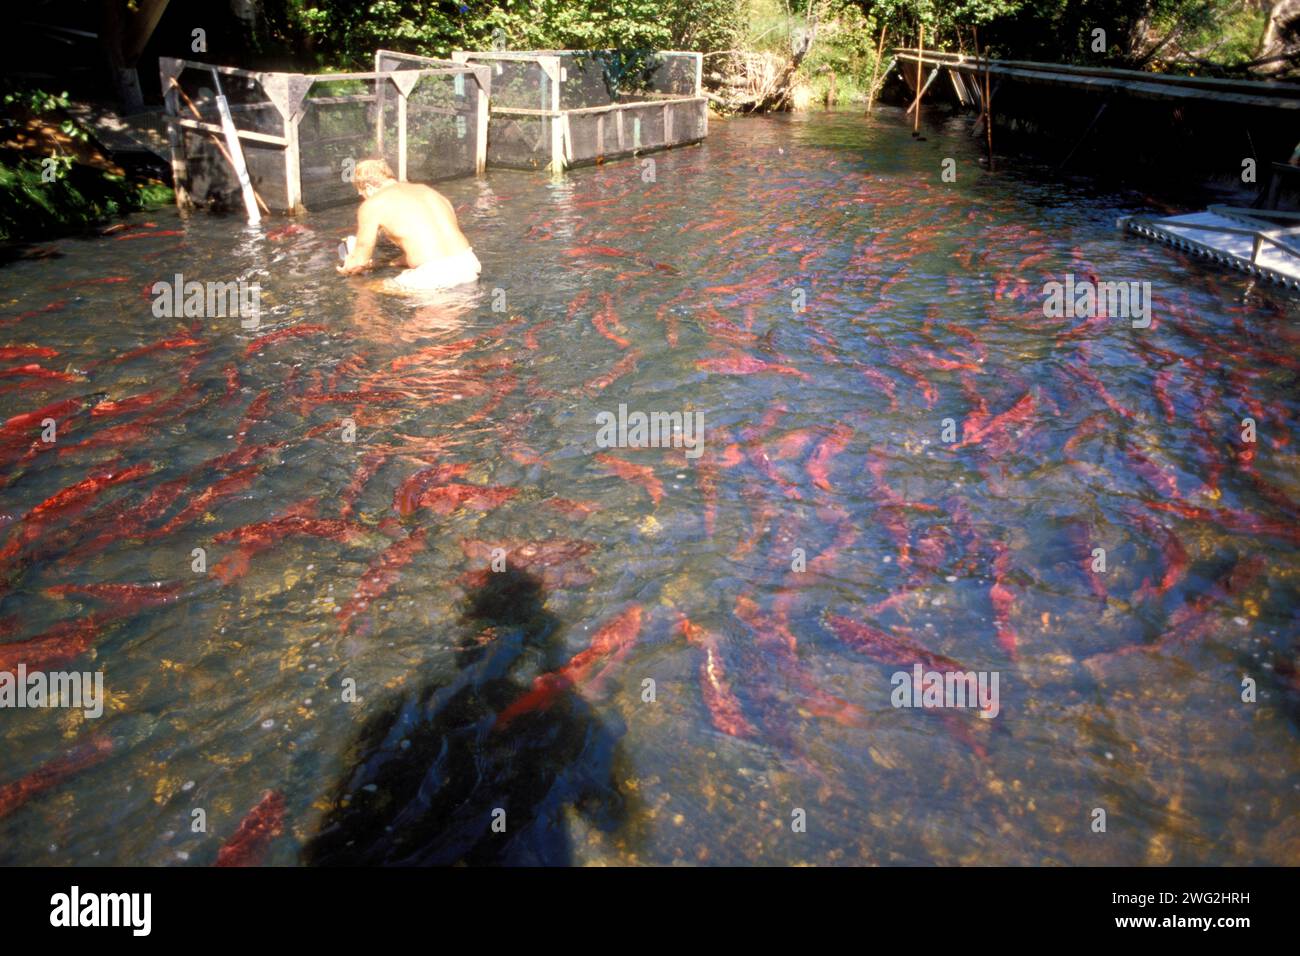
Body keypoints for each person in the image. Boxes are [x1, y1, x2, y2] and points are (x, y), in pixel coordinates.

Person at [337, 158, 481, 291]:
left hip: (435, 277)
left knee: (366, 287)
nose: (364, 198)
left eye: (362, 194)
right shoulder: (431, 193)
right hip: (469, 265)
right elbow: (436, 245)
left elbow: (359, 263)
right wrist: (387, 263)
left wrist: (348, 267)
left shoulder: (372, 204)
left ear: (368, 187)